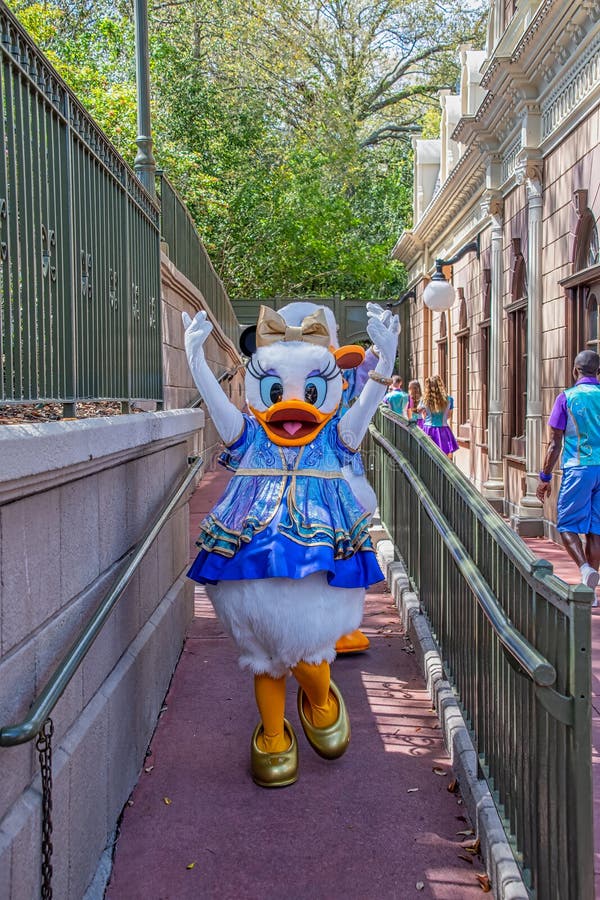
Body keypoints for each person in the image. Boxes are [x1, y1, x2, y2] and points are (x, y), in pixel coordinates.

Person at [536, 349, 600, 598]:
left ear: (575, 370)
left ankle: (584, 570)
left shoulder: (566, 398)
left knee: (566, 524)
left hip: (578, 468)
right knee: (596, 530)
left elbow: (554, 443)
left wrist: (544, 477)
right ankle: (590, 591)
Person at [418, 374, 459, 456]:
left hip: (428, 429)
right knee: (445, 456)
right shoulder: (449, 399)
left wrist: (426, 416)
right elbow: (449, 415)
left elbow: (419, 411)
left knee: (427, 455)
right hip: (443, 430)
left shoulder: (424, 400)